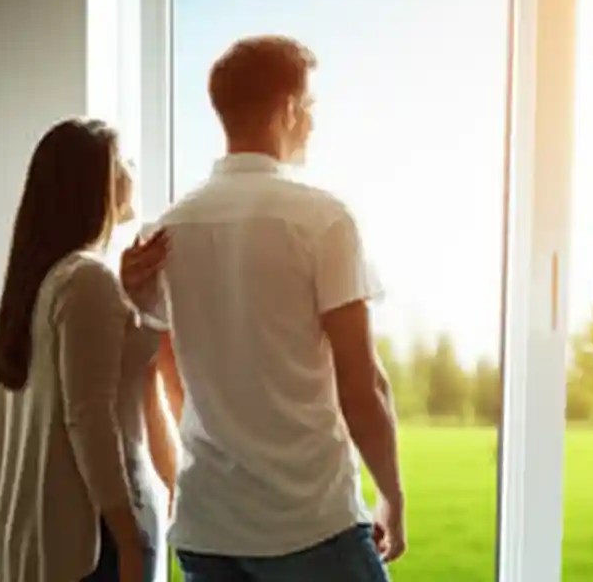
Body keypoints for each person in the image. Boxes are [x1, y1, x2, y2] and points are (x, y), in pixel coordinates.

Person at [143, 35, 405, 581]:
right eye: (309, 106)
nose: (312, 122)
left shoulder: (164, 232)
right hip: (309, 523)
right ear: (287, 109)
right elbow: (363, 385)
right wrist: (392, 496)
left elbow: (170, 374)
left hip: (209, 526)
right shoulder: (323, 221)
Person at [0, 118, 178, 582]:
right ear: (95, 183)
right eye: (123, 161)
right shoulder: (87, 279)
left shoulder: (43, 281)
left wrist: (127, 300)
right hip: (97, 538)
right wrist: (127, 537)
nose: (133, 170)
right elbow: (90, 418)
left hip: (44, 541)